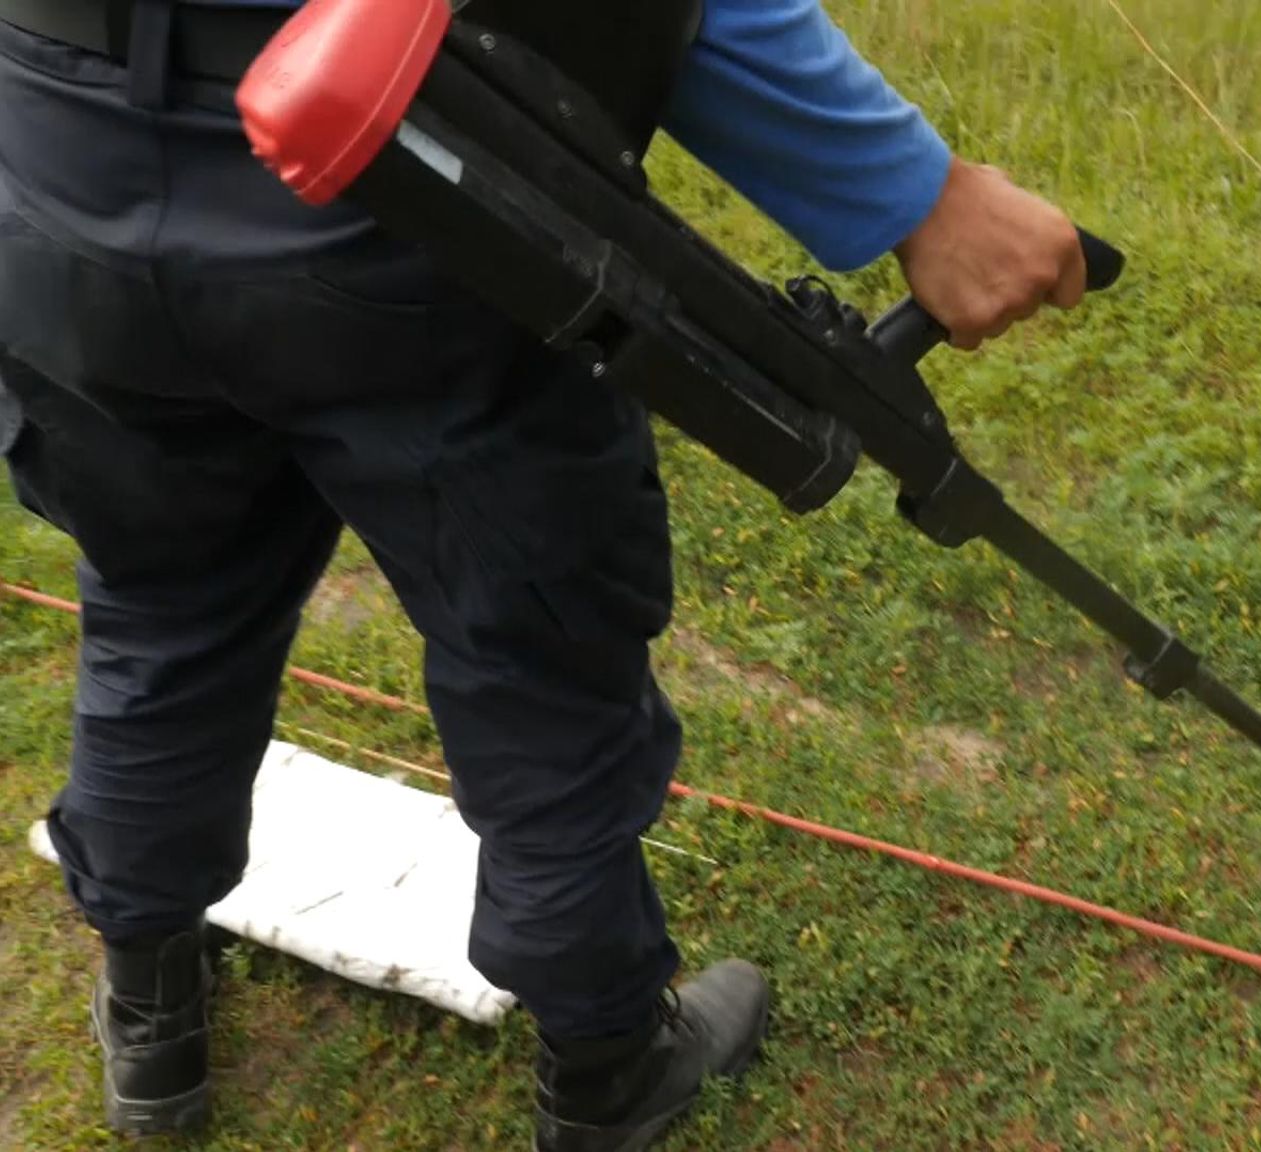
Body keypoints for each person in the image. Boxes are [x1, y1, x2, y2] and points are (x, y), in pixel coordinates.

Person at [0, 0, 1087, 1147]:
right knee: (532, 641)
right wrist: (912, 191)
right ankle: (608, 1060)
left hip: (64, 158)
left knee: (162, 597)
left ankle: (150, 1019)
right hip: (378, 181)